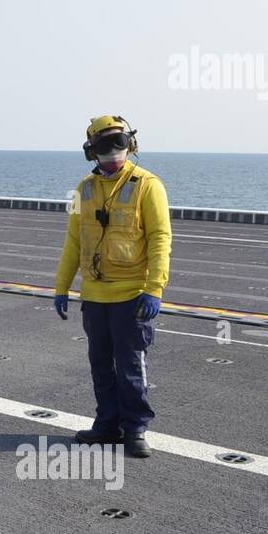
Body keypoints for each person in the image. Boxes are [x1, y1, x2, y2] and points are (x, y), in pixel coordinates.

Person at [52, 115, 171, 458]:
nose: (114, 152)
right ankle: (107, 425)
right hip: (95, 296)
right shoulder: (83, 189)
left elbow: (161, 239)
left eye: (119, 143)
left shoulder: (148, 185)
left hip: (133, 296)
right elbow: (73, 241)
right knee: (100, 364)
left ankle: (135, 429)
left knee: (131, 365)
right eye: (105, 146)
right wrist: (62, 287)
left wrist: (154, 288)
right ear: (92, 151)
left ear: (131, 144)